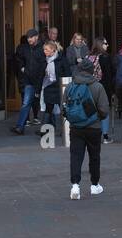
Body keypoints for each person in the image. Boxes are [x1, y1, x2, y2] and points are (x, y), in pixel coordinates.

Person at [65, 55, 110, 200]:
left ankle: (75, 185)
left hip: (76, 127)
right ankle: (94, 185)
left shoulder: (71, 86)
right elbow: (104, 109)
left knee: (76, 156)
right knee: (94, 156)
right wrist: (97, 118)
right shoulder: (97, 86)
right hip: (94, 127)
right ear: (92, 71)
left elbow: (64, 106)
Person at [10, 29, 45, 135]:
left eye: (31, 37)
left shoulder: (43, 48)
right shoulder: (25, 48)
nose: (29, 39)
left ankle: (48, 128)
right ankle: (20, 127)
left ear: (36, 37)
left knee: (48, 105)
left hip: (42, 81)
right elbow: (19, 59)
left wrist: (39, 86)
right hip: (29, 80)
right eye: (28, 37)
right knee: (26, 103)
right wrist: (22, 68)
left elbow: (43, 66)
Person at [92, 36, 115, 143]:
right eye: (105, 43)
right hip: (104, 88)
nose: (107, 45)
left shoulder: (89, 57)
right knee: (104, 111)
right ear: (101, 45)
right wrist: (113, 90)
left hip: (91, 87)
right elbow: (109, 75)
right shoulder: (106, 57)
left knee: (93, 111)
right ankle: (105, 136)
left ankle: (93, 134)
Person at [40, 40, 68, 127]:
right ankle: (44, 130)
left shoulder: (61, 59)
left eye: (47, 50)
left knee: (64, 109)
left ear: (53, 50)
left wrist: (67, 86)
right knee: (48, 109)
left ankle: (66, 130)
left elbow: (67, 73)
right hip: (48, 87)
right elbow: (40, 75)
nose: (44, 51)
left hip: (60, 87)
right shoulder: (44, 60)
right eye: (44, 50)